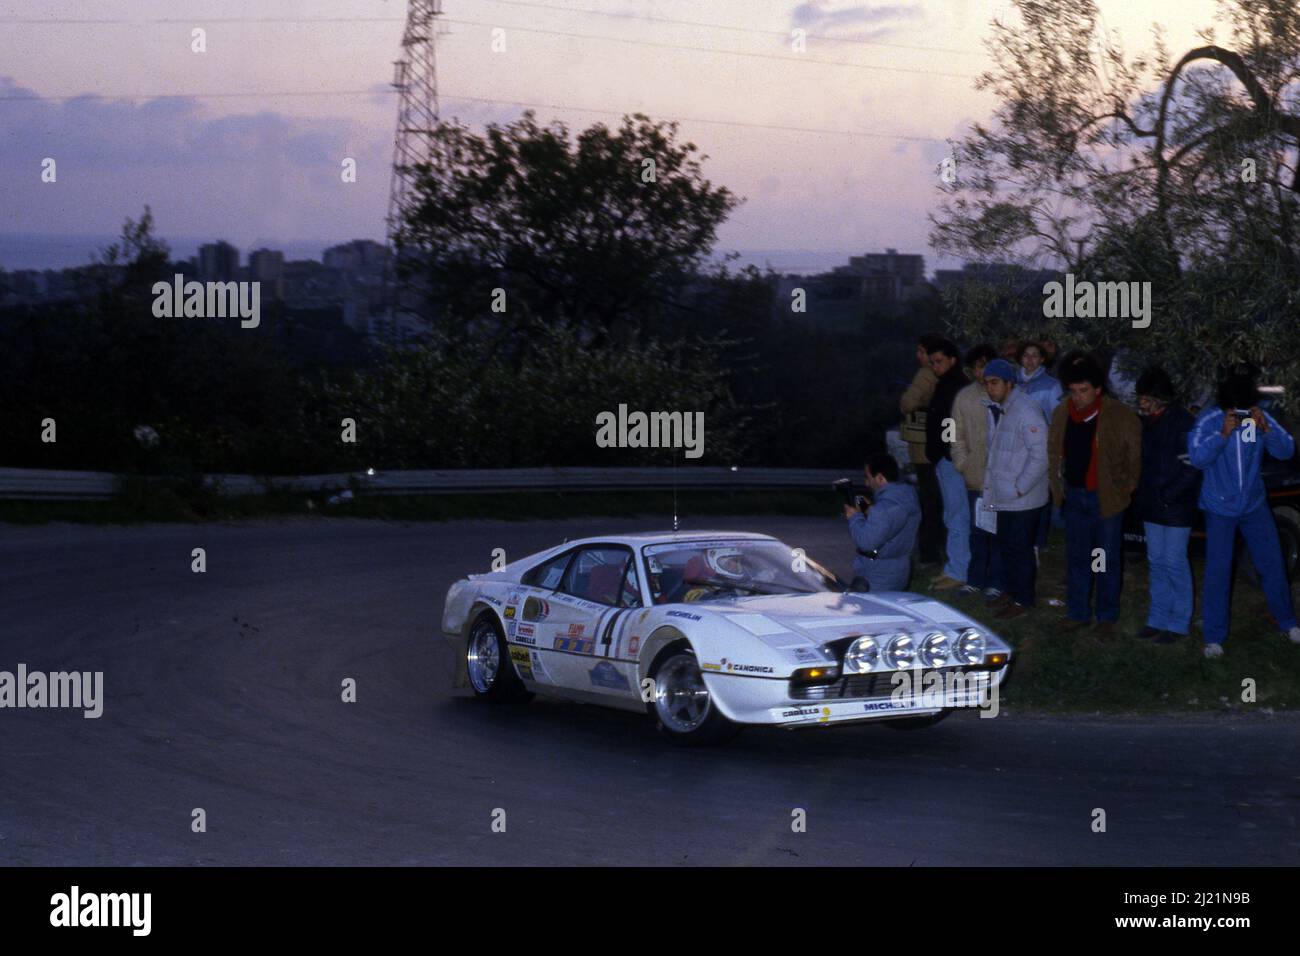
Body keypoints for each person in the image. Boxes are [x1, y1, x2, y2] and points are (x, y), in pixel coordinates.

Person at [1188, 365, 1300, 657]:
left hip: (1254, 504)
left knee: (1273, 563)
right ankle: (1214, 637)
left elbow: (1287, 450)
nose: (1242, 414)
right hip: (1219, 508)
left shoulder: (1258, 413)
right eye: (1238, 409)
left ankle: (1287, 622)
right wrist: (1223, 434)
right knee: (1218, 571)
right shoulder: (1211, 417)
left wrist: (1266, 428)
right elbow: (1198, 457)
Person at [1048, 354, 1141, 639]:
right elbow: (1054, 452)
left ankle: (1106, 615)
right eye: (1073, 391)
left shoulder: (1120, 415)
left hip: (1106, 499)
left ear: (1098, 389)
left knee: (1105, 558)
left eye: (1084, 391)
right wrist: (1058, 488)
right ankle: (1077, 612)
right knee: (1077, 557)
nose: (1078, 397)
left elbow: (1133, 460)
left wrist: (1121, 492)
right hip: (1074, 497)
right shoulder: (1063, 412)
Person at [1133, 368, 1201, 643]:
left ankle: (1179, 622)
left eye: (1146, 398)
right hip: (1153, 502)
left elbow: (1191, 466)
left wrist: (1169, 495)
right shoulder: (1147, 422)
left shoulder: (1183, 421)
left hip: (1175, 505)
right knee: (1156, 561)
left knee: (1174, 562)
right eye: (1140, 398)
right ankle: (1157, 618)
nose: (1141, 403)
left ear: (1160, 398)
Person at [979, 358, 1049, 619]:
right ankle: (1012, 592)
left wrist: (1019, 488)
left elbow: (1041, 455)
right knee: (1008, 547)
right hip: (1007, 495)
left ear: (1010, 383)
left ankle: (1024, 600)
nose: (990, 388)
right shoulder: (1002, 408)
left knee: (1019, 550)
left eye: (995, 382)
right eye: (986, 383)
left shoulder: (1026, 409)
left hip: (1023, 498)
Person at [951, 343, 1002, 601]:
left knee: (998, 533)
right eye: (977, 367)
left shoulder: (1006, 393)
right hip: (975, 477)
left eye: (985, 365)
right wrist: (963, 462)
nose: (982, 372)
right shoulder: (964, 397)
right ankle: (975, 580)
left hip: (1003, 478)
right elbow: (954, 434)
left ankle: (997, 582)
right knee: (977, 532)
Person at [924, 336, 971, 589]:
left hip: (950, 459)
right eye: (932, 362)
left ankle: (958, 570)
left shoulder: (956, 386)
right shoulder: (947, 383)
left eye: (939, 361)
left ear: (952, 360)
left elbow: (953, 423)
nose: (935, 366)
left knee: (956, 515)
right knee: (953, 514)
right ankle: (955, 566)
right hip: (945, 458)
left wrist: (947, 451)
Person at [843, 452, 922, 592]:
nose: (866, 483)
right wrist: (869, 510)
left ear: (880, 477)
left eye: (868, 477)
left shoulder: (885, 509)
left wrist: (855, 517)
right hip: (899, 567)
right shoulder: (907, 495)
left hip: (878, 575)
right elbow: (892, 522)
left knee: (871, 612)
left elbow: (866, 542)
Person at [900, 334, 945, 566]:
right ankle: (937, 550)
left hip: (923, 449)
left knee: (929, 502)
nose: (918, 356)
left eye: (921, 351)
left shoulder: (925, 375)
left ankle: (929, 553)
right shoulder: (940, 376)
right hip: (936, 447)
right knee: (937, 501)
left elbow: (908, 403)